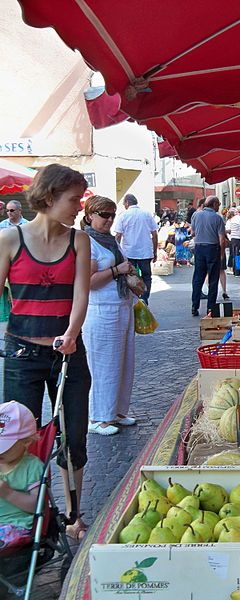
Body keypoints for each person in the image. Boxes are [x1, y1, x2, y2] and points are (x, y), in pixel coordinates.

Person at [0, 163, 91, 540]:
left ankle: (72, 515)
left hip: (67, 353)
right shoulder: (10, 240)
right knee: (17, 437)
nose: (78, 207)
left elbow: (80, 294)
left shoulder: (78, 241)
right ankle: (26, 511)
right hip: (22, 354)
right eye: (74, 199)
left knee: (73, 435)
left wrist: (71, 333)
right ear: (50, 196)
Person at [82, 196, 137, 436]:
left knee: (124, 363)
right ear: (90, 215)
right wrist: (118, 270)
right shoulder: (88, 242)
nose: (110, 219)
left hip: (121, 306)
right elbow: (89, 281)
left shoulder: (111, 241)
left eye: (113, 215)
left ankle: (116, 411)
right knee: (104, 365)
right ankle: (99, 417)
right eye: (105, 215)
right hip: (101, 309)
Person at [0, 402, 45, 549]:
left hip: (15, 526)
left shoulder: (32, 467)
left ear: (26, 442)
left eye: (3, 446)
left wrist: (9, 494)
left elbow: (38, 506)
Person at [113, 194, 158, 305]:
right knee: (147, 276)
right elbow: (154, 234)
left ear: (127, 202)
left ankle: (133, 299)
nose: (124, 205)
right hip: (145, 252)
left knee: (130, 275)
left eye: (124, 203)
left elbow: (118, 235)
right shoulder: (147, 214)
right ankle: (144, 298)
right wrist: (155, 251)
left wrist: (116, 252)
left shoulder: (123, 216)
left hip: (129, 252)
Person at [190, 196, 226, 316]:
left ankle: (194, 306)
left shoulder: (196, 215)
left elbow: (193, 232)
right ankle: (210, 307)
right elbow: (222, 239)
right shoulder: (217, 218)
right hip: (212, 249)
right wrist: (221, 254)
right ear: (214, 204)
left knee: (198, 278)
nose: (219, 206)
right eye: (218, 204)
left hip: (199, 248)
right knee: (213, 279)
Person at [226, 206, 240, 276]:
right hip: (238, 239)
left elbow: (232, 230)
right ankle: (238, 270)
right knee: (238, 255)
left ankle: (235, 270)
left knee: (234, 255)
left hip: (233, 238)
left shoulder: (233, 219)